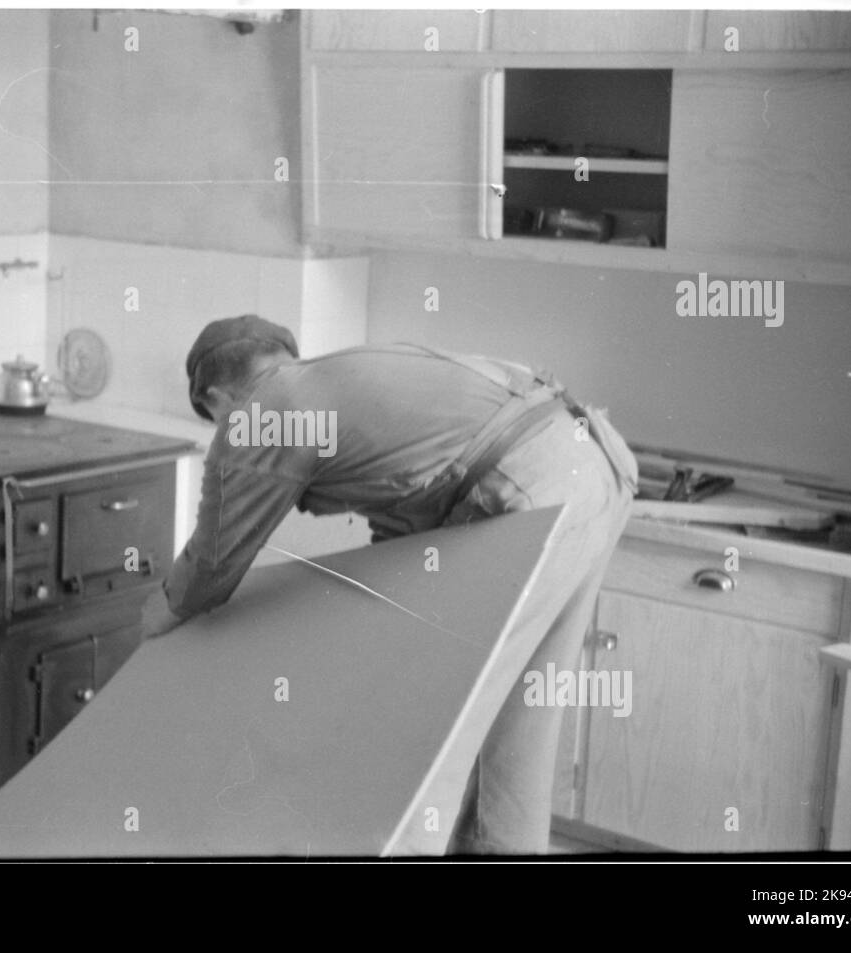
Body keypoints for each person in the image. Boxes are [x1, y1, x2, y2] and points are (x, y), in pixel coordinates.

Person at [139, 314, 639, 853]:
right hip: (596, 468)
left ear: (216, 395)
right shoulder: (349, 377)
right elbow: (409, 515)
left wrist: (162, 612)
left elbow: (212, 565)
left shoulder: (260, 413)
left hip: (526, 493)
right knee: (519, 729)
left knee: (424, 725)